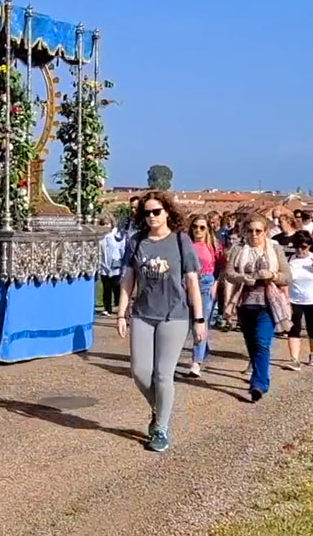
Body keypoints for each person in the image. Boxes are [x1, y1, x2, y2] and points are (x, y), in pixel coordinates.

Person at [116, 192, 204, 453]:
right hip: (143, 314)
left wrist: (199, 320)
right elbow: (128, 280)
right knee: (140, 373)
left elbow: (192, 283)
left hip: (174, 315)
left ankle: (161, 428)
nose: (152, 217)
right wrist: (121, 313)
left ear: (167, 212)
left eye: (157, 211)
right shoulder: (136, 242)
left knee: (164, 374)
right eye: (147, 213)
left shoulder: (181, 241)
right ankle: (159, 408)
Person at [223, 213, 292, 401]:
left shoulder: (275, 249)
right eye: (250, 231)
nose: (254, 235)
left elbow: (287, 276)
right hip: (245, 303)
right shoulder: (238, 249)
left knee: (262, 342)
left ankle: (260, 384)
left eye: (258, 231)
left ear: (265, 232)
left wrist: (272, 275)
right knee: (252, 343)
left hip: (268, 302)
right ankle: (258, 375)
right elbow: (229, 273)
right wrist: (242, 278)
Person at [286, 231, 313, 369]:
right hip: (294, 300)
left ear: (309, 246)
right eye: (297, 246)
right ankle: (294, 359)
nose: (300, 250)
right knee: (294, 329)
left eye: (303, 247)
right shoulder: (290, 260)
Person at [187, 214, 220, 378]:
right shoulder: (186, 244)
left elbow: (222, 265)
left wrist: (217, 283)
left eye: (202, 227)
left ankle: (196, 362)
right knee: (186, 321)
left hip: (206, 283)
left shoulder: (214, 245)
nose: (198, 230)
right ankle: (203, 348)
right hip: (187, 283)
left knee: (201, 322)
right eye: (195, 227)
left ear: (208, 229)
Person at [97, 213, 126, 317]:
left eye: (107, 224)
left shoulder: (117, 235)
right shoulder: (100, 236)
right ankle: (107, 308)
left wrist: (121, 261)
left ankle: (120, 307)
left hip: (116, 266)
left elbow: (122, 248)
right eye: (103, 224)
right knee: (106, 289)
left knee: (117, 288)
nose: (105, 226)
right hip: (104, 267)